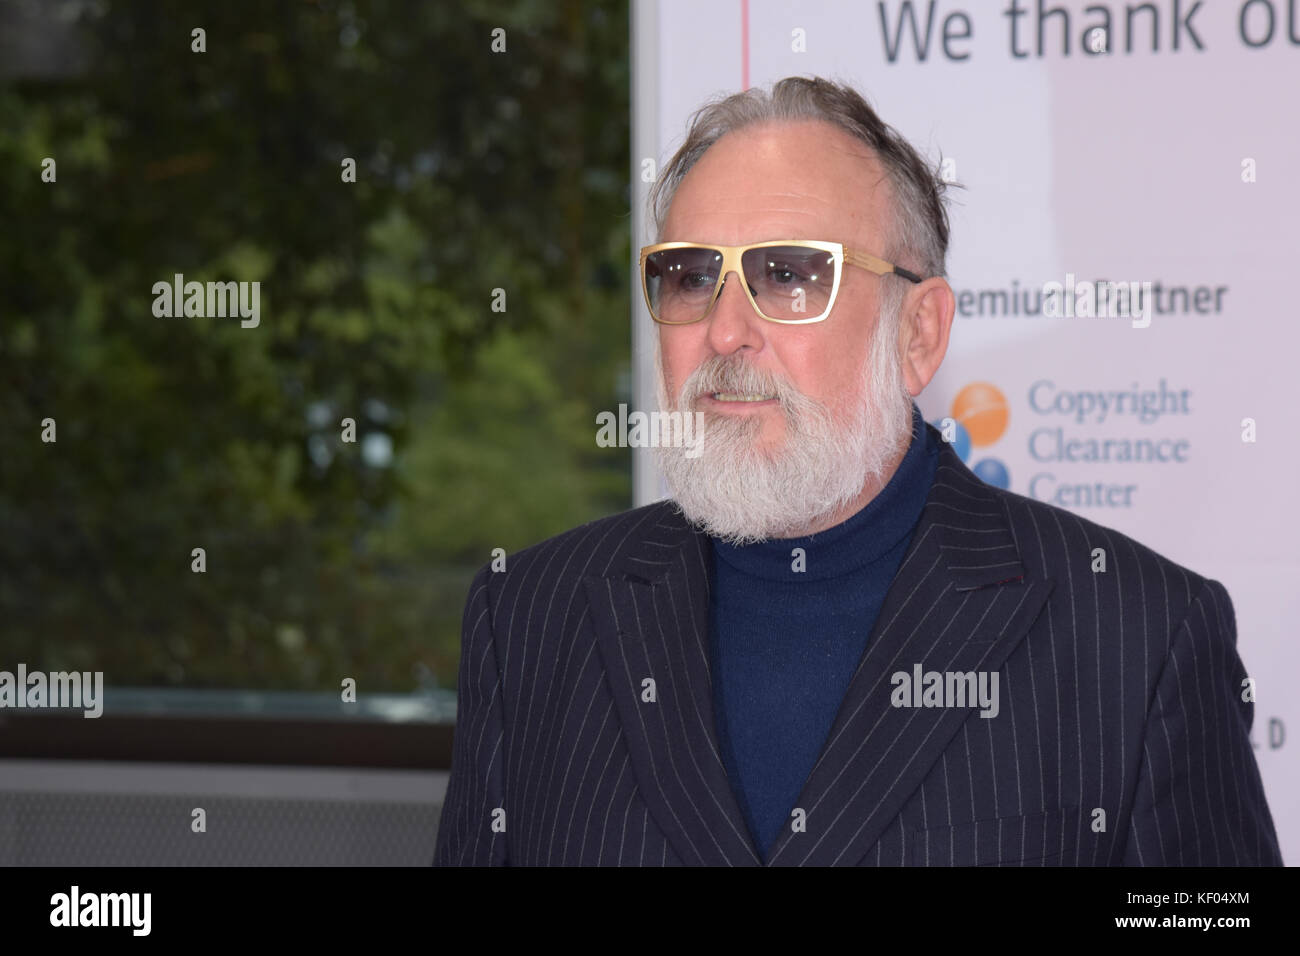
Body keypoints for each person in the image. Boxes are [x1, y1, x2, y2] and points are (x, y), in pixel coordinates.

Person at [433, 76, 1282, 866]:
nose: (725, 331)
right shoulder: (530, 619)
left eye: (790, 275)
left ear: (918, 334)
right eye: (690, 278)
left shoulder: (1138, 637)